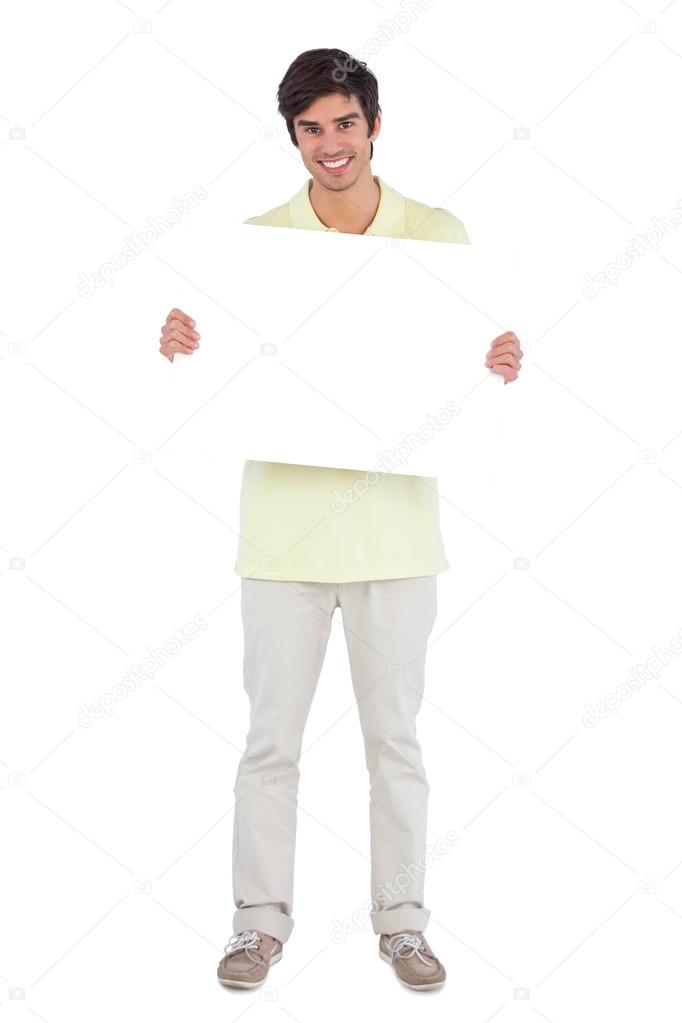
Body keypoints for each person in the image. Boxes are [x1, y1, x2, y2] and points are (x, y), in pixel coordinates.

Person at [157, 47, 523, 993]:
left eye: (345, 123)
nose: (330, 143)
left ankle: (402, 924)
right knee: (269, 744)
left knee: (394, 744)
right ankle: (257, 924)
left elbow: (467, 371)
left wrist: (495, 363)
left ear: (374, 125)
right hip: (283, 535)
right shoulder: (254, 244)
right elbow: (216, 372)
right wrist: (183, 344)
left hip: (395, 537)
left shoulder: (438, 236)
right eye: (311, 128)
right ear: (293, 136)